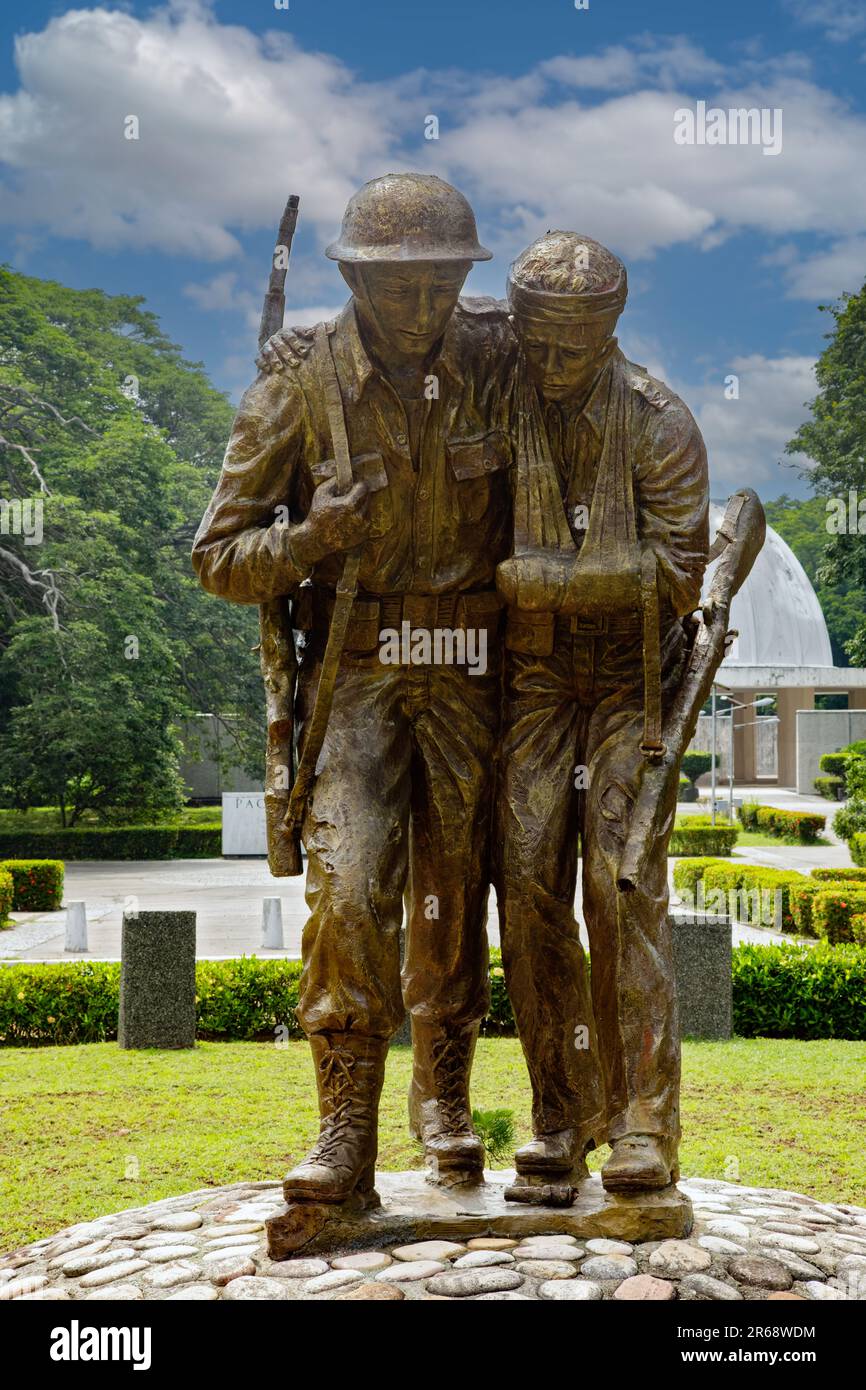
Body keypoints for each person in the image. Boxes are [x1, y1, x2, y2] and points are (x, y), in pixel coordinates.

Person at [193, 174, 514, 1202]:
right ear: (353, 279)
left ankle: (446, 1102)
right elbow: (218, 557)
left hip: (471, 668)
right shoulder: (293, 389)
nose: (421, 309)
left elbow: (587, 355)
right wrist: (310, 537)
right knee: (347, 889)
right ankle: (342, 1129)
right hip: (357, 672)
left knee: (454, 894)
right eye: (397, 287)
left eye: (439, 284)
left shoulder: (498, 364)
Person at [494, 231, 709, 1191]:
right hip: (535, 682)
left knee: (621, 885)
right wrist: (302, 347)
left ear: (610, 330)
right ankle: (559, 1113)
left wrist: (552, 582)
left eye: (570, 347)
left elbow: (676, 574)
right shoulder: (499, 388)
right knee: (528, 880)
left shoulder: (661, 423)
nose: (549, 363)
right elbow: (417, 322)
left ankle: (643, 1124)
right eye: (535, 341)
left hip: (633, 679)